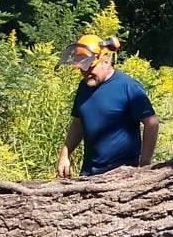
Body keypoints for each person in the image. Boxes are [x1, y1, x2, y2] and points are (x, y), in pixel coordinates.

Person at [55, 36, 160, 178]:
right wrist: (65, 155)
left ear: (105, 60)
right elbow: (78, 122)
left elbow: (151, 123)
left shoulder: (127, 86)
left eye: (90, 67)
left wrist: (145, 163)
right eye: (82, 69)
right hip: (88, 173)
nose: (86, 73)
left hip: (120, 175)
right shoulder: (84, 87)